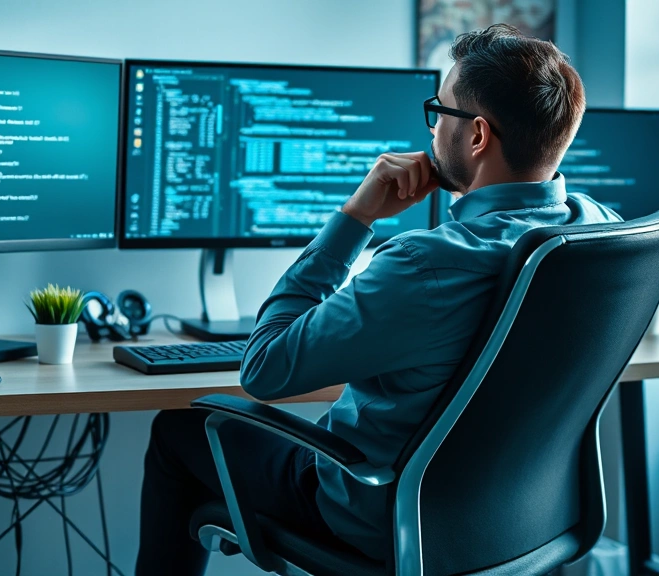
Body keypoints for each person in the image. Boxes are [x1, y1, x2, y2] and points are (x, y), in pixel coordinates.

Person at [136, 23, 622, 574]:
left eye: (440, 113)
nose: (434, 128)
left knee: (178, 429)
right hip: (516, 521)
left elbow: (264, 369)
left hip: (385, 518)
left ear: (478, 136)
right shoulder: (600, 234)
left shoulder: (426, 263)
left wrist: (355, 218)